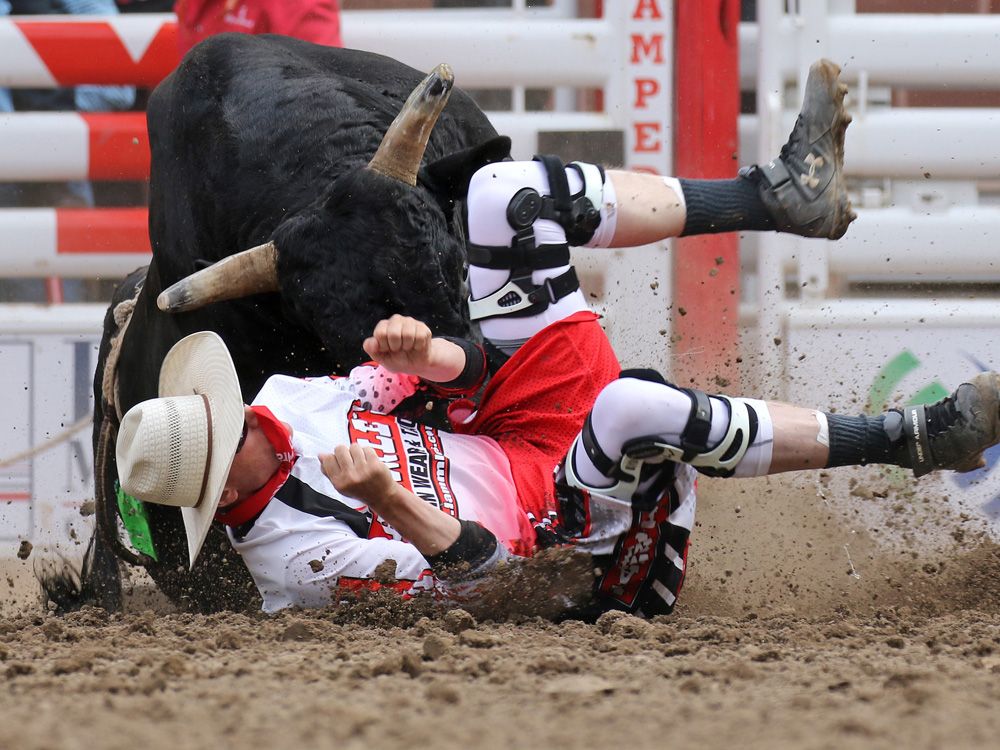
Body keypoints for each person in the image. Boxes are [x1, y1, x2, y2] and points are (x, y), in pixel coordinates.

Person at [115, 60, 1000, 615]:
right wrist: (390, 500)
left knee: (504, 194)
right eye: (220, 450)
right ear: (214, 497)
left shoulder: (279, 403)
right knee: (629, 409)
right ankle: (918, 437)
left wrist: (426, 356)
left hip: (510, 426)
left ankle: (773, 196)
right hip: (573, 549)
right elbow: (487, 583)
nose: (236, 434)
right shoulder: (296, 558)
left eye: (219, 421)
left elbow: (409, 390)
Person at [174, 0, 342, 55]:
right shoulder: (197, 4)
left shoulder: (303, 7)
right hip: (202, 125)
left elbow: (322, 96)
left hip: (271, 130)